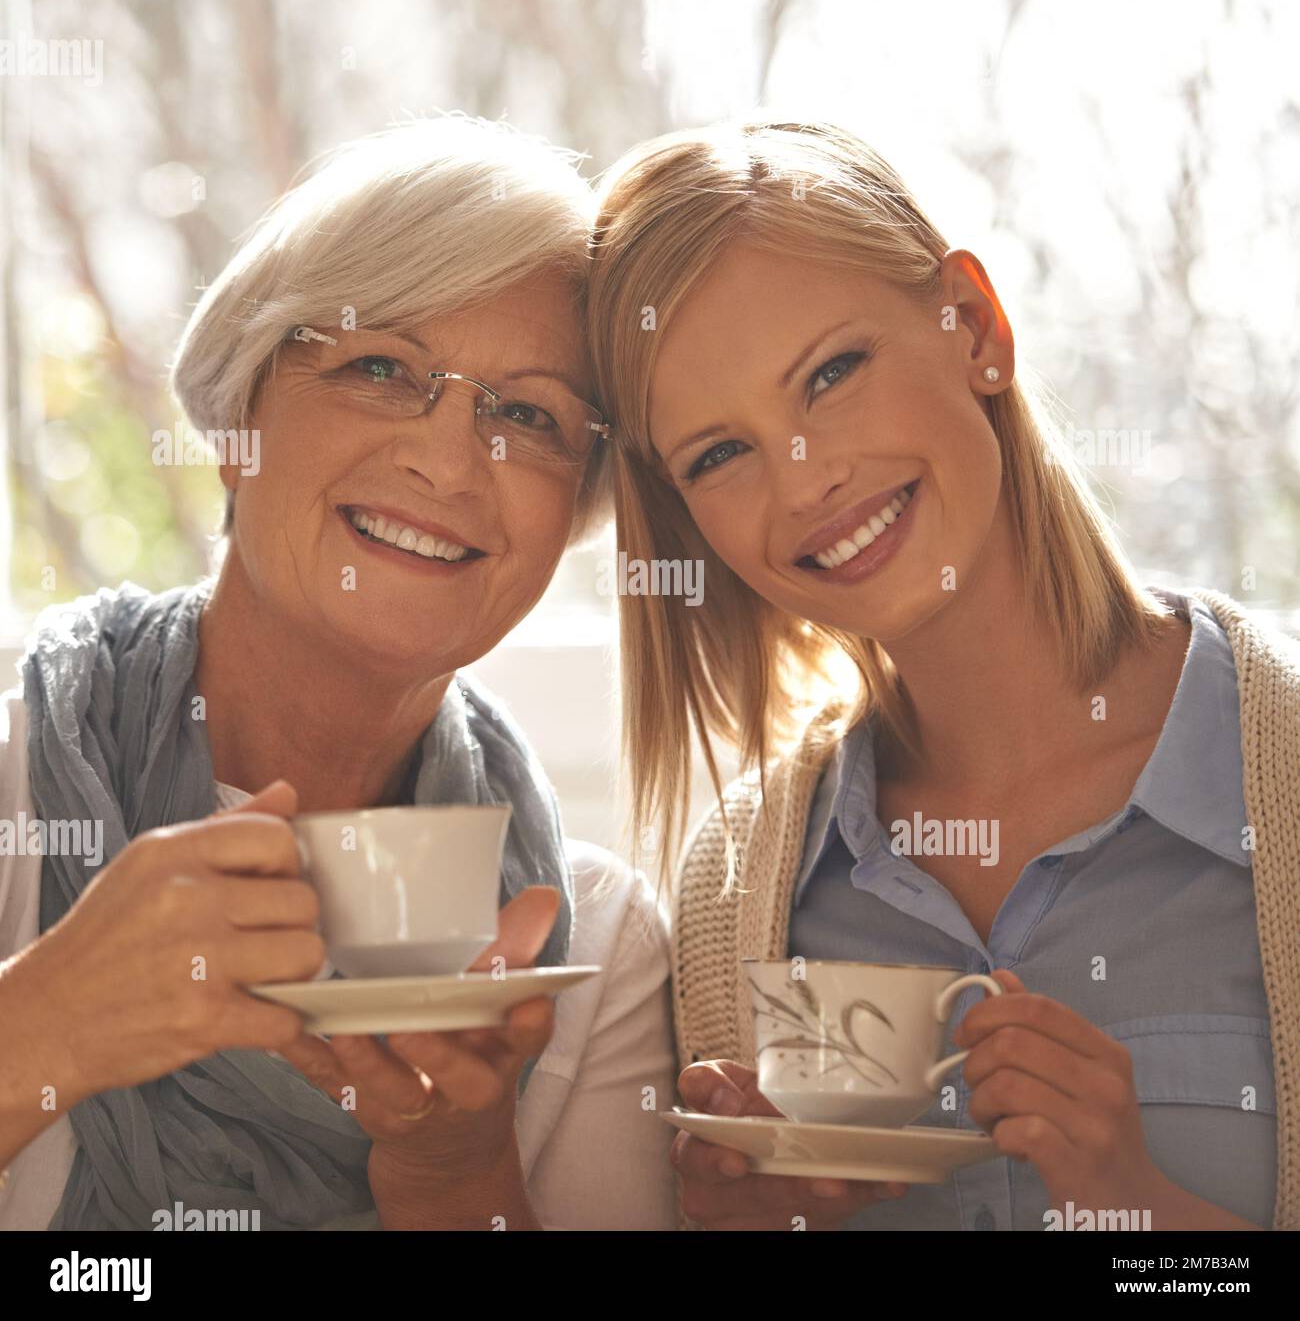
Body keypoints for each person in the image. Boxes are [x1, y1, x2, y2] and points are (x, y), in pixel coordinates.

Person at [584, 117, 1298, 1231]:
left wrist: (1141, 1211)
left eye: (830, 374)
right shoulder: (734, 897)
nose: (805, 480)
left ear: (973, 327)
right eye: (721, 453)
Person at [0, 116, 676, 1231]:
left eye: (525, 415)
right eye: (378, 366)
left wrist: (455, 1171)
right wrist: (50, 1022)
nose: (450, 458)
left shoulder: (592, 948)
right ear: (236, 421)